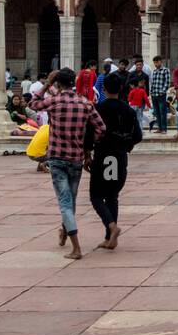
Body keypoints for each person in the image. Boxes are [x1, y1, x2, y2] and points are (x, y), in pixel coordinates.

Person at [29, 68, 106, 261]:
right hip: (76, 158)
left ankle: (76, 247)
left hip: (57, 158)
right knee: (70, 200)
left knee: (65, 203)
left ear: (57, 83)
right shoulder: (84, 102)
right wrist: (88, 147)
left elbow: (33, 104)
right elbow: (101, 128)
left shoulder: (54, 101)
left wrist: (47, 83)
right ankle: (65, 230)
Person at [88, 72, 142, 249]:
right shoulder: (128, 110)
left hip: (103, 155)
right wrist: (127, 145)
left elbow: (89, 133)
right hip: (119, 156)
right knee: (112, 196)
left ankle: (111, 227)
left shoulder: (98, 109)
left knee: (96, 196)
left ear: (103, 89)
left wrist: (87, 152)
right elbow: (137, 135)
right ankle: (110, 238)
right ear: (121, 88)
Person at [149, 56, 170, 133]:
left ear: (161, 61)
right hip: (154, 94)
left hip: (161, 95)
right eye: (154, 62)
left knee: (162, 112)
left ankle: (164, 129)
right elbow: (153, 83)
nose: (156, 64)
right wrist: (151, 92)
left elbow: (167, 83)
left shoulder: (165, 70)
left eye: (157, 62)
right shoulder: (154, 71)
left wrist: (162, 91)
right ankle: (159, 128)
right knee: (156, 112)